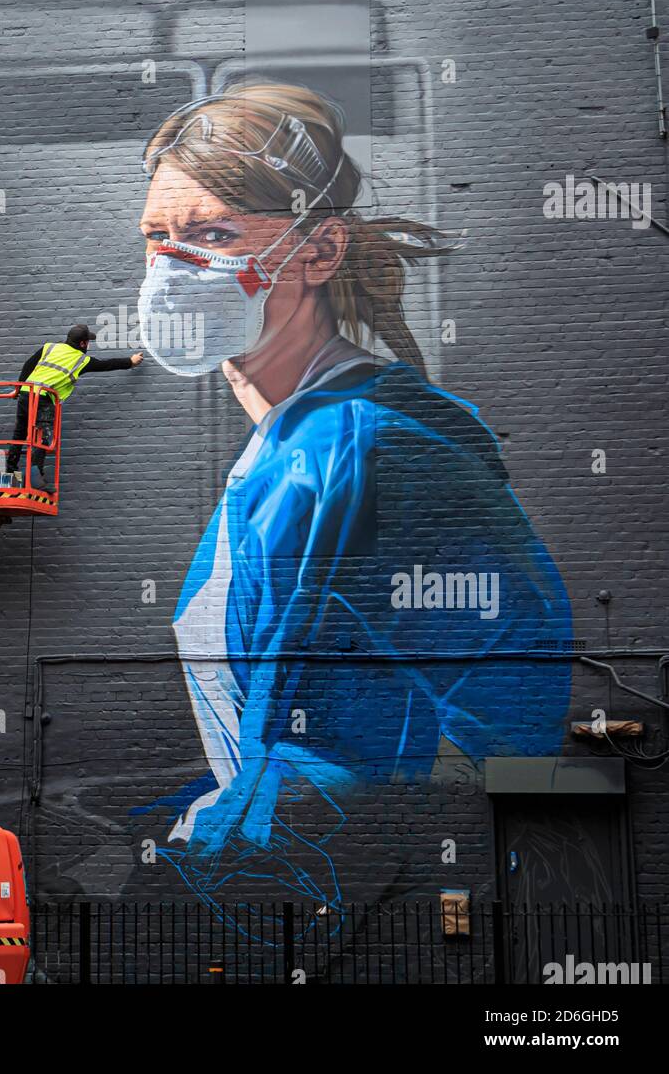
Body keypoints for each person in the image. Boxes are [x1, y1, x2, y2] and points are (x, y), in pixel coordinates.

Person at [135, 81, 572, 919]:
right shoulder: (308, 441)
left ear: (320, 251)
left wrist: (183, 881)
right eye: (158, 239)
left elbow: (339, 759)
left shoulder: (352, 452)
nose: (172, 271)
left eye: (214, 235)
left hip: (379, 911)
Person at [4, 324, 143, 492]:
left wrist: (18, 389)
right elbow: (106, 365)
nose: (89, 345)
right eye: (88, 342)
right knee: (42, 438)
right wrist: (130, 361)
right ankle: (35, 477)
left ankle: (9, 470)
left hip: (27, 392)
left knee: (20, 433)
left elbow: (28, 365)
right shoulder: (81, 359)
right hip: (43, 398)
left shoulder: (50, 347)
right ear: (83, 344)